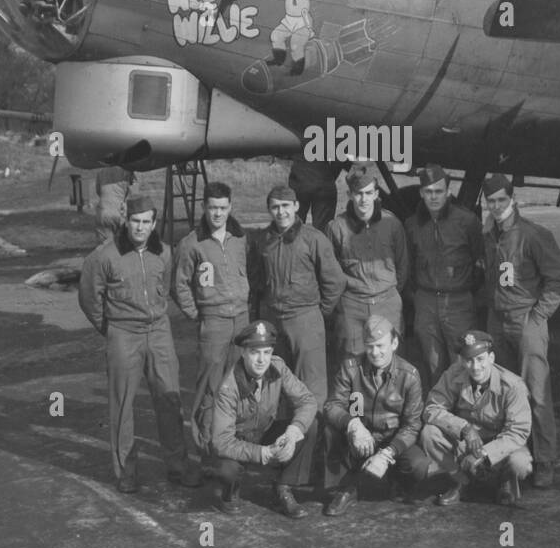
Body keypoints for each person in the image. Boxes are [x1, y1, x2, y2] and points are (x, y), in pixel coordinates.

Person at [78, 195, 201, 493]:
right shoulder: (104, 256)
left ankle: (177, 465)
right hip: (123, 332)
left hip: (159, 331)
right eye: (135, 221)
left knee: (169, 398)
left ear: (154, 223)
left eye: (147, 222)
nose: (140, 227)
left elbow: (168, 286)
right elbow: (88, 297)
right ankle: (126, 472)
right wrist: (110, 329)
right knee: (122, 404)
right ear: (126, 221)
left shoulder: (165, 254)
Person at [480, 174, 560, 489]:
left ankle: (545, 460)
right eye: (490, 201)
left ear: (512, 199)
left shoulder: (533, 235)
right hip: (498, 320)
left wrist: (539, 315)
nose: (496, 206)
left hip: (526, 320)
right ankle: (513, 456)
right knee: (505, 393)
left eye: (501, 200)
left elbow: (558, 278)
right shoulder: (489, 235)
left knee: (537, 392)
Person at [320, 315, 430, 516]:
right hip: (361, 437)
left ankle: (397, 481)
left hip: (391, 438)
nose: (375, 352)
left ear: (394, 343)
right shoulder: (351, 368)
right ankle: (345, 488)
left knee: (419, 465)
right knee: (330, 431)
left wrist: (388, 453)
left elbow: (412, 425)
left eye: (381, 345)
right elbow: (332, 405)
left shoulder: (409, 375)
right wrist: (353, 425)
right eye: (369, 346)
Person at [248, 185, 346, 411]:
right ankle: (282, 436)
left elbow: (335, 281)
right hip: (274, 319)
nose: (281, 212)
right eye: (275, 207)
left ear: (296, 206)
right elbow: (257, 281)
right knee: (277, 381)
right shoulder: (262, 240)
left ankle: (314, 438)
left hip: (305, 318)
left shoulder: (313, 239)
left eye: (285, 206)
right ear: (269, 210)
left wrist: (320, 313)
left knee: (311, 385)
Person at [209, 321, 319, 518]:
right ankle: (230, 492)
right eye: (254, 352)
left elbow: (307, 400)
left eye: (266, 352)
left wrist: (292, 433)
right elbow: (221, 441)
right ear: (243, 353)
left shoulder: (277, 367)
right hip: (236, 441)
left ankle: (283, 487)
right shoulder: (229, 386)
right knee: (227, 469)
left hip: (263, 431)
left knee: (310, 426)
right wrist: (263, 453)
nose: (262, 360)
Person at [173, 182, 249, 456]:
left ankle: (235, 443)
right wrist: (197, 314)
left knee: (240, 383)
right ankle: (205, 450)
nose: (217, 213)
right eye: (212, 208)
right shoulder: (191, 243)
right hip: (213, 321)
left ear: (230, 207)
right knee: (210, 388)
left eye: (223, 208)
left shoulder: (240, 238)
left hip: (241, 319)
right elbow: (179, 284)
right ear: (204, 207)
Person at [421, 331, 532, 507]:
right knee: (429, 433)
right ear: (462, 361)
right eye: (469, 360)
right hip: (468, 442)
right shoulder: (453, 375)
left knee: (521, 463)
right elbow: (431, 408)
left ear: (492, 358)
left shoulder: (512, 385)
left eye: (480, 359)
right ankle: (461, 481)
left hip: (499, 445)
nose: (475, 367)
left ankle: (505, 482)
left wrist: (484, 453)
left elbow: (518, 432)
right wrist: (464, 428)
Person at [404, 163, 484, 391]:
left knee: (464, 363)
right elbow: (408, 265)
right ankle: (438, 420)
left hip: (458, 301)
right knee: (432, 365)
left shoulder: (467, 222)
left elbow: (481, 261)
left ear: (448, 192)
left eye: (439, 191)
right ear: (421, 193)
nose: (434, 197)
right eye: (428, 192)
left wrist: (467, 291)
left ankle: (466, 419)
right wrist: (417, 297)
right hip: (426, 302)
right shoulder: (412, 225)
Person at [325, 163, 409, 365]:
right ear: (350, 194)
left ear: (376, 194)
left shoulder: (392, 224)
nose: (363, 199)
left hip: (387, 301)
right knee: (351, 364)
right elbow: (330, 273)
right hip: (353, 305)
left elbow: (403, 265)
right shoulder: (336, 228)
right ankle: (356, 398)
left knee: (389, 362)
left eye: (368, 193)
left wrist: (389, 294)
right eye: (358, 193)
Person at [288, 157, 343, 229]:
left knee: (293, 226)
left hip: (299, 179)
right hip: (323, 179)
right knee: (323, 229)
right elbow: (338, 160)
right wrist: (329, 177)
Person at [93, 165, 140, 246]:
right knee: (122, 246)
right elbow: (134, 193)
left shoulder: (101, 172)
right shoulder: (127, 171)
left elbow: (98, 191)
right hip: (120, 212)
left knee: (105, 248)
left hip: (103, 212)